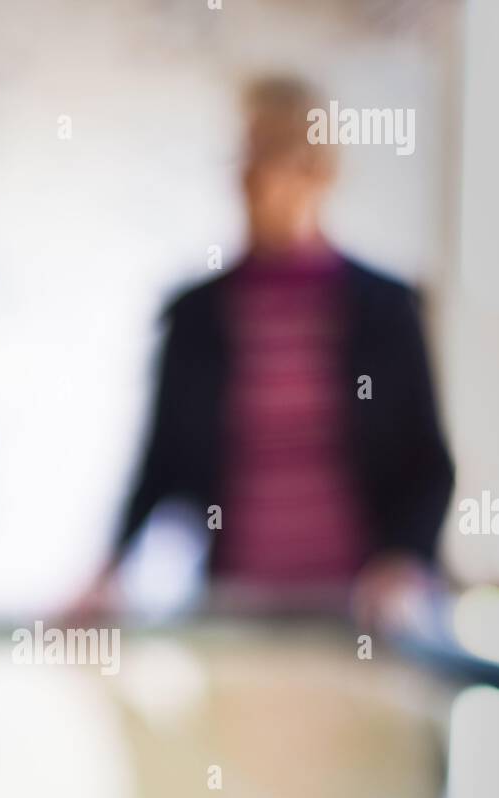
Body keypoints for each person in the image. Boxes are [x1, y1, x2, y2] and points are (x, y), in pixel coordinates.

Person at [72, 76, 454, 624]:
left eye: (277, 154)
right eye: (248, 158)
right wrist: (107, 571)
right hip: (236, 607)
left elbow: (428, 466)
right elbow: (161, 462)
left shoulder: (386, 309)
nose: (258, 178)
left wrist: (403, 566)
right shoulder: (197, 315)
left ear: (322, 169)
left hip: (361, 617)